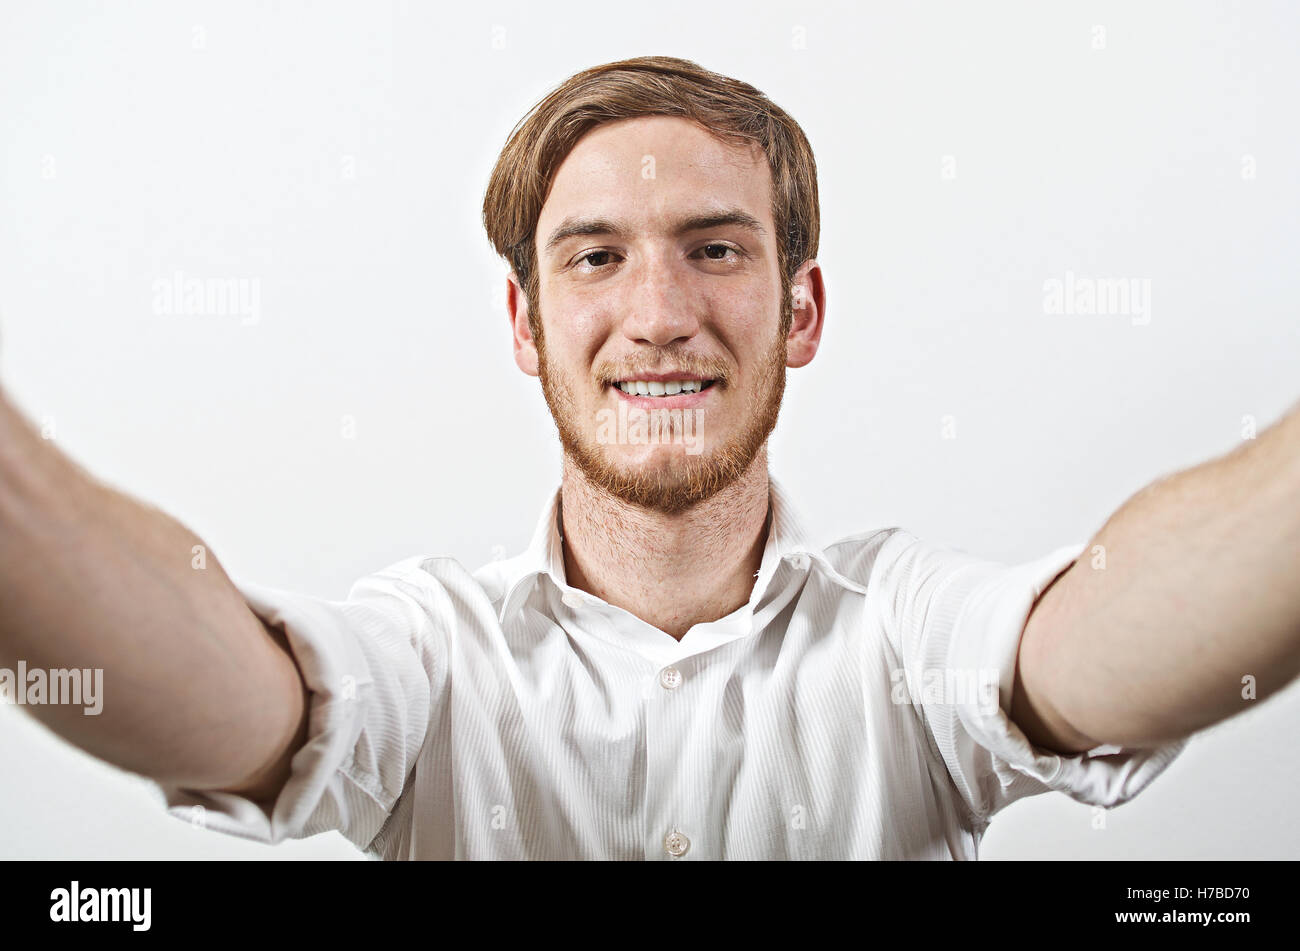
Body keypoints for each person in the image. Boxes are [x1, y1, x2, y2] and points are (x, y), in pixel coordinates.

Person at [2, 55, 1296, 860]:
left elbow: (1098, 649)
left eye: (717, 249)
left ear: (801, 311)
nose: (663, 313)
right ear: (528, 321)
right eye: (597, 255)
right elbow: (231, 704)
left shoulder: (906, 632)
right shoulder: (431, 656)